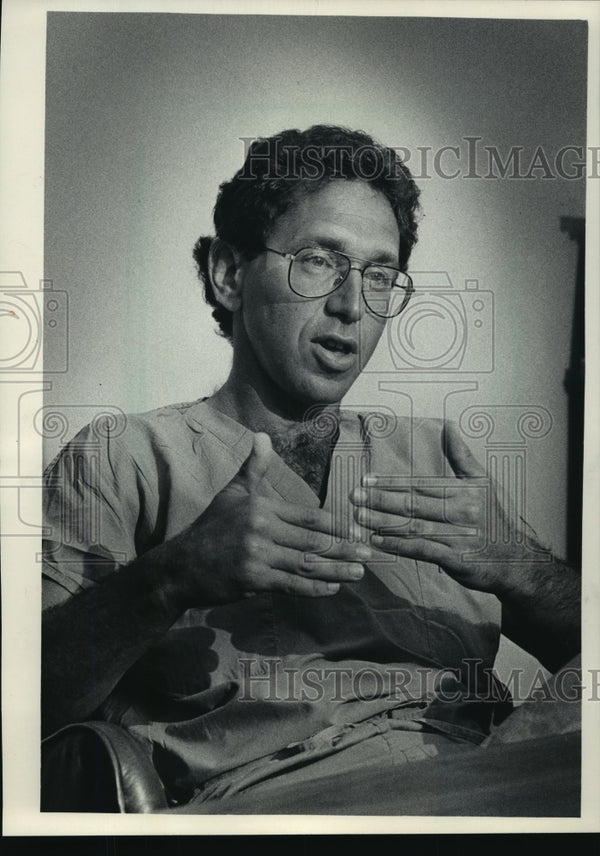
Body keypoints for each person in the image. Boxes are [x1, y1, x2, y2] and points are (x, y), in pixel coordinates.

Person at [41, 125, 581, 815]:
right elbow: (25, 707)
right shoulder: (125, 457)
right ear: (229, 275)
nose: (352, 306)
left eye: (379, 275)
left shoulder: (435, 456)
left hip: (493, 776)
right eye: (320, 261)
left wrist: (517, 565)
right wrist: (166, 579)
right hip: (288, 805)